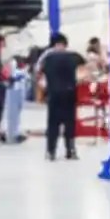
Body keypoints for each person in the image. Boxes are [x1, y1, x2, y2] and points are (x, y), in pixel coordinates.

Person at [36, 32, 86, 161]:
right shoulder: (74, 56)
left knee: (53, 123)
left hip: (54, 95)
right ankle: (71, 151)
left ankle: (50, 151)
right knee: (70, 122)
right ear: (64, 44)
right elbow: (85, 73)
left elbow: (38, 75)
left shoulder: (46, 58)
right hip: (70, 94)